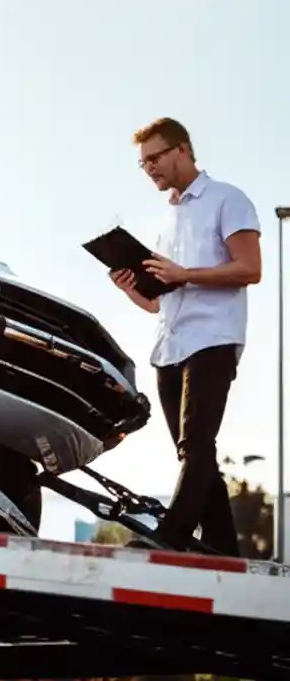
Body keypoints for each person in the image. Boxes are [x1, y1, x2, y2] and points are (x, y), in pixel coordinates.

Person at [109, 117, 262, 555]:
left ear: (182, 150)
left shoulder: (227, 199)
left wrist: (185, 273)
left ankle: (171, 536)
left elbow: (250, 268)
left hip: (212, 338)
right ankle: (223, 551)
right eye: (143, 163)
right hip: (169, 345)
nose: (149, 169)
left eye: (154, 158)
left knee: (196, 444)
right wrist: (132, 289)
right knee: (194, 453)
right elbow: (162, 301)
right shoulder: (169, 218)